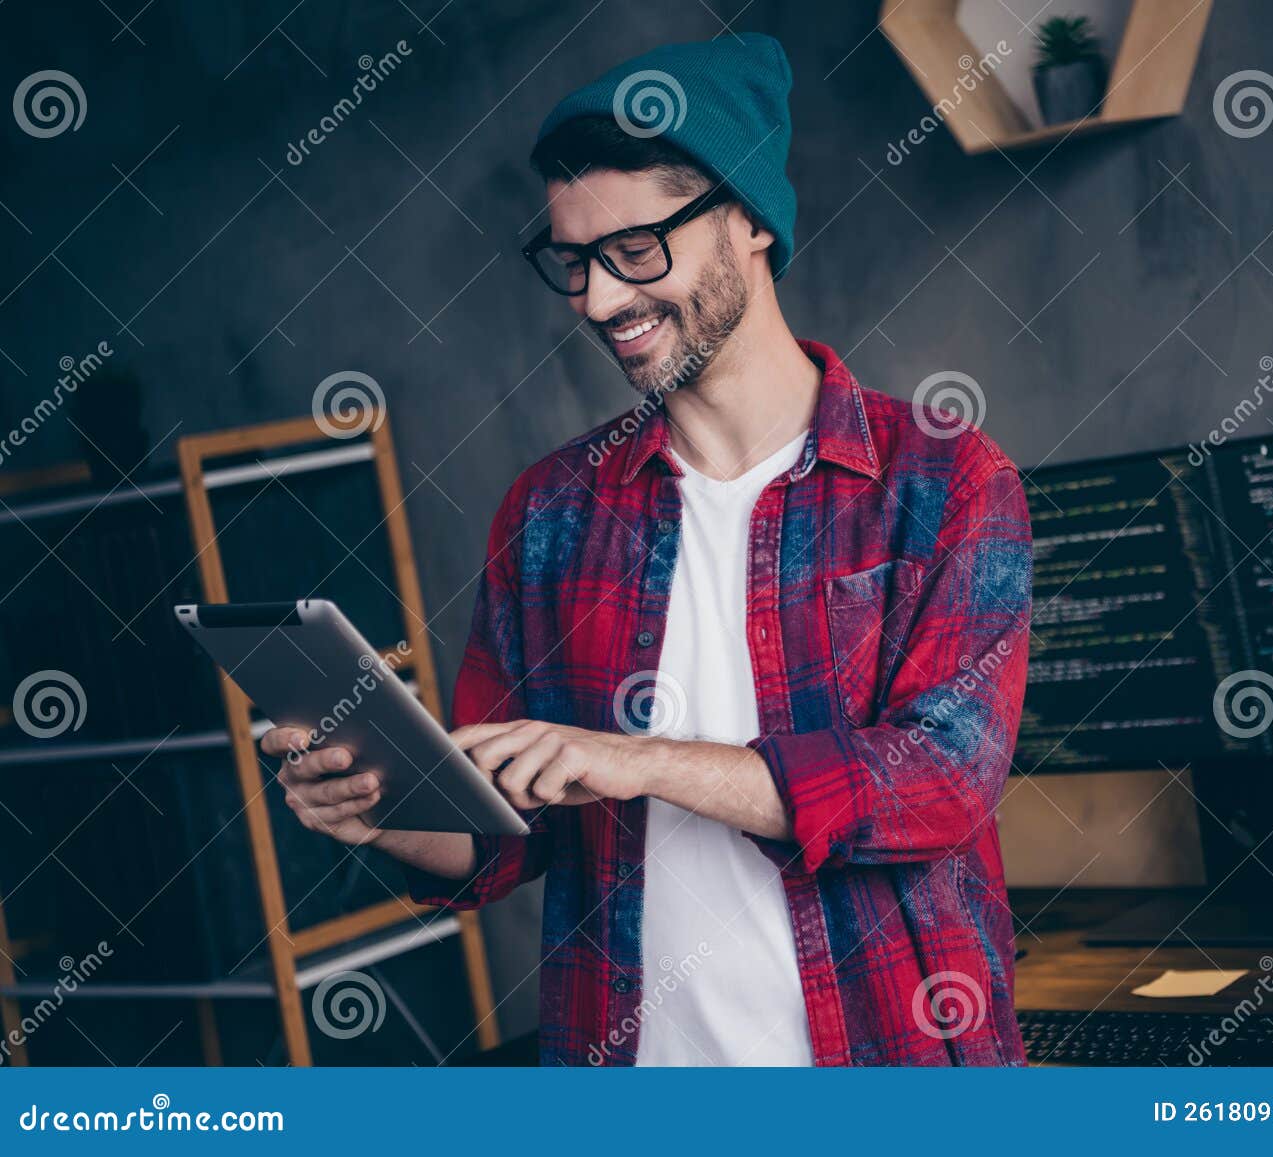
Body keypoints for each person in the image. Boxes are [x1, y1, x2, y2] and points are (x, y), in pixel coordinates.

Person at [261, 32, 1032, 1066]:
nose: (598, 299)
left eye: (634, 250)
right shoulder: (550, 516)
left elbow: (936, 779)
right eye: (573, 262)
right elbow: (501, 832)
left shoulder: (944, 478)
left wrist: (638, 760)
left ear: (750, 222)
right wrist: (383, 810)